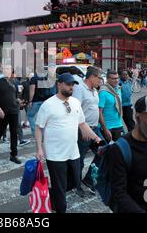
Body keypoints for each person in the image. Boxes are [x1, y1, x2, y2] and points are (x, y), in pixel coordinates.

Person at [35, 73, 101, 213]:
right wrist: (39, 149)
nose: (71, 87)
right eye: (68, 84)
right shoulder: (48, 105)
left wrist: (96, 138)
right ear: (59, 84)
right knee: (60, 187)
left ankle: (50, 193)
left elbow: (82, 124)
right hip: (55, 154)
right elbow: (39, 127)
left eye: (72, 85)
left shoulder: (75, 102)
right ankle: (60, 207)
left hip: (73, 152)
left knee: (75, 181)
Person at [72, 66, 103, 195]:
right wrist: (81, 129)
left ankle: (88, 180)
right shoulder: (80, 89)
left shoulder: (94, 90)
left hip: (95, 129)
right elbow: (75, 110)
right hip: (84, 129)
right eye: (99, 78)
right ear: (91, 77)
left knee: (104, 152)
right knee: (79, 160)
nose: (100, 81)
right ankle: (76, 185)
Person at [0, 65, 22, 164]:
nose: (6, 71)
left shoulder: (15, 82)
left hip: (14, 110)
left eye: (8, 69)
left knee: (14, 132)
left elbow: (16, 96)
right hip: (3, 111)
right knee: (1, 129)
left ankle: (14, 154)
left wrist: (19, 101)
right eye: (5, 69)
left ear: (11, 71)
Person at [28, 65, 56, 133]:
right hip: (46, 100)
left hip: (36, 101)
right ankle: (44, 134)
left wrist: (30, 101)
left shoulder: (34, 78)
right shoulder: (48, 78)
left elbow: (32, 91)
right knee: (44, 118)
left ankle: (35, 132)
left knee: (30, 115)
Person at [99, 70, 124, 142]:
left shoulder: (118, 89)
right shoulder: (103, 92)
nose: (116, 80)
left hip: (118, 125)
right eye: (113, 78)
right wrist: (105, 129)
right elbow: (99, 112)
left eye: (117, 78)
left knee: (119, 150)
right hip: (108, 127)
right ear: (107, 79)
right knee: (108, 151)